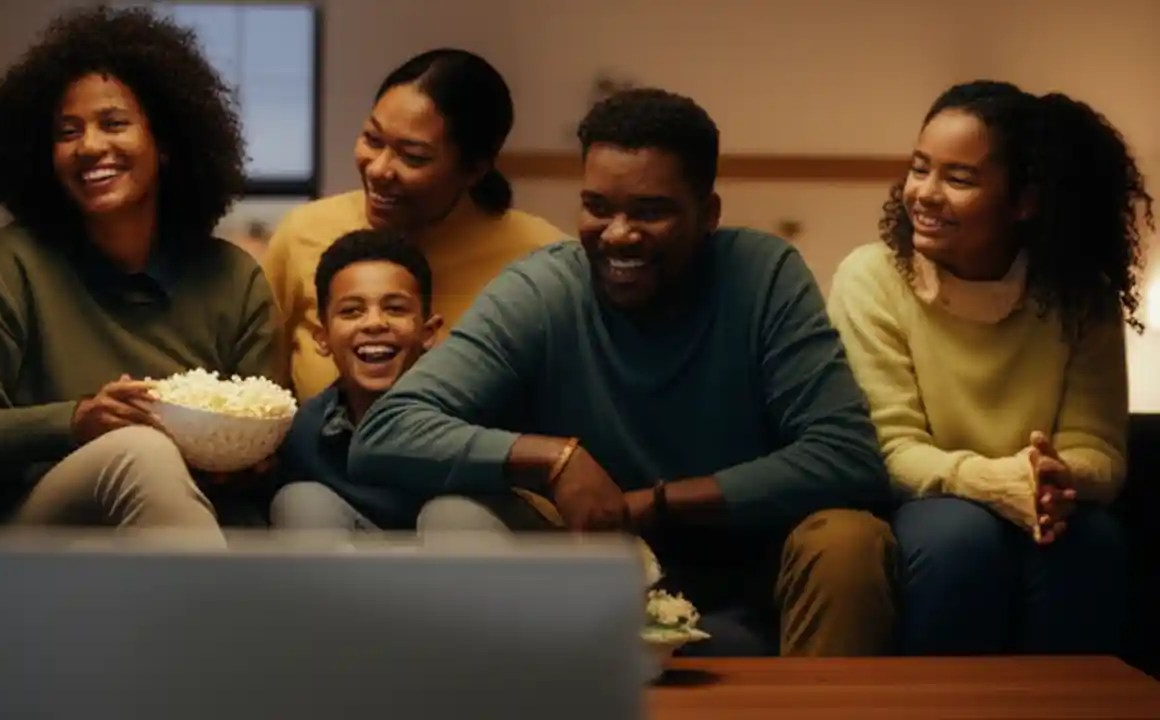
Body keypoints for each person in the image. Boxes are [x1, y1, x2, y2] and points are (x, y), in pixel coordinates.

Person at [351, 88, 896, 656]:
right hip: (592, 576)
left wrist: (654, 504)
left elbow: (846, 455)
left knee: (850, 541)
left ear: (708, 214)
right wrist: (556, 460)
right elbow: (387, 430)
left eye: (650, 211)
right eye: (597, 206)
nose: (617, 233)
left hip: (752, 569)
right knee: (454, 515)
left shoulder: (762, 275)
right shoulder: (543, 289)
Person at [0, 7, 280, 544]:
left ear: (166, 142)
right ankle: (218, 625)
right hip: (35, 538)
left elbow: (259, 448)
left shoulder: (234, 281)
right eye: (67, 131)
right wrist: (77, 421)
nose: (89, 147)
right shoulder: (15, 264)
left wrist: (243, 461)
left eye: (114, 123)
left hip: (190, 530)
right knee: (141, 451)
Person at [828, 80, 1149, 654]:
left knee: (1091, 540)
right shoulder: (871, 278)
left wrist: (1057, 478)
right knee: (957, 535)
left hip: (1045, 503)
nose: (924, 194)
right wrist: (998, 482)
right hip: (923, 502)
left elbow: (1099, 448)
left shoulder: (1079, 297)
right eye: (919, 168)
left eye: (959, 178)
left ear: (1025, 199)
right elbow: (892, 449)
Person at [262, 48, 564, 400]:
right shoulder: (304, 232)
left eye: (413, 157)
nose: (378, 169)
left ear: (474, 169)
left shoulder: (543, 261)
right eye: (373, 139)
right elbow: (262, 397)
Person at [270, 229, 441, 530]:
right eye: (351, 311)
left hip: (452, 563)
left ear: (428, 333)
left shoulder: (466, 418)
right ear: (322, 338)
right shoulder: (305, 435)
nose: (374, 323)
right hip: (351, 564)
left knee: (454, 512)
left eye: (395, 308)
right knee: (298, 500)